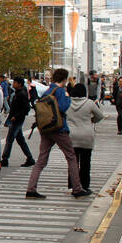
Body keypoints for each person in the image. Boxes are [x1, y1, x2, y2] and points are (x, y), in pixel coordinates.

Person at [25, 67, 90, 199]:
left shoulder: (47, 90)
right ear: (65, 79)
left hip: (45, 129)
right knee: (71, 156)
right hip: (59, 129)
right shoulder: (60, 91)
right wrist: (67, 97)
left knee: (41, 160)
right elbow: (63, 107)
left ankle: (31, 189)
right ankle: (77, 188)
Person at [66, 83, 104, 194]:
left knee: (73, 162)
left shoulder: (67, 102)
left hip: (71, 136)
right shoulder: (89, 103)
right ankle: (85, 185)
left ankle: (73, 184)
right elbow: (100, 116)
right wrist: (91, 120)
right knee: (86, 162)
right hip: (86, 135)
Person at [0, 76, 36, 166]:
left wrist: (16, 117)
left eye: (15, 82)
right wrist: (8, 120)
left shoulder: (21, 94)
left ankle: (5, 159)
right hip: (15, 120)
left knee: (9, 139)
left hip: (17, 120)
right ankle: (30, 158)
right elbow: (13, 109)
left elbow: (26, 108)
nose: (13, 84)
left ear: (19, 84)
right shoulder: (17, 93)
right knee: (20, 140)